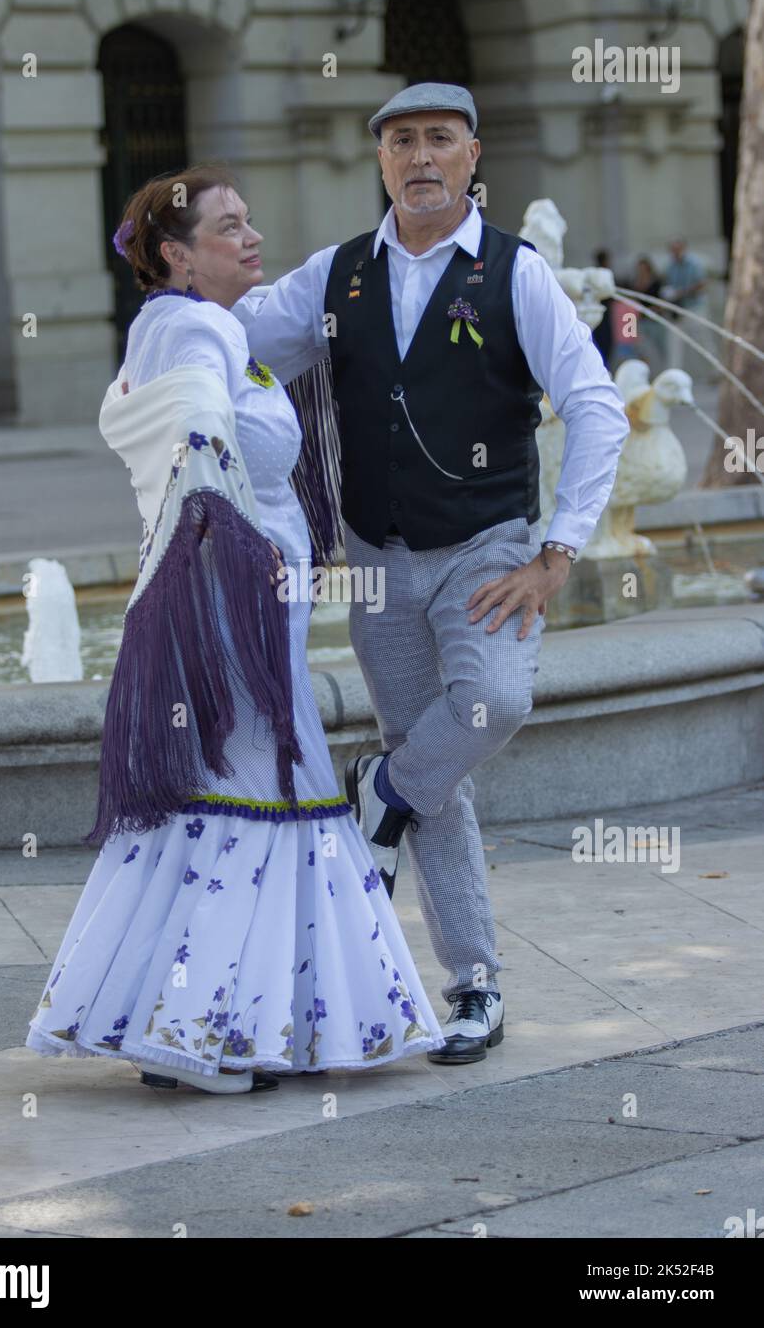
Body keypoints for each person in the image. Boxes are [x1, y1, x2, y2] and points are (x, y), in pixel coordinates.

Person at [233, 83, 630, 1065]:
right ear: (378, 161)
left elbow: (596, 405)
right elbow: (237, 347)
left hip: (487, 548)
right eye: (399, 140)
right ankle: (474, 984)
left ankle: (382, 786)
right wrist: (168, 359)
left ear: (469, 156)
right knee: (436, 780)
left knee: (491, 703)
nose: (418, 156)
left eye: (437, 140)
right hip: (375, 556)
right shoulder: (335, 277)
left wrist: (557, 554)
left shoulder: (516, 274)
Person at [25, 166, 445, 1094]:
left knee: (228, 785)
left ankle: (187, 1021)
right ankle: (205, 1035)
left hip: (233, 585)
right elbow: (201, 430)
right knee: (256, 786)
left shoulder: (184, 327)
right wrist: (233, 522)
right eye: (228, 228)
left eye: (251, 221)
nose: (252, 237)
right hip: (235, 594)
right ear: (178, 255)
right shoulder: (202, 327)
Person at [661, 237, 707, 373]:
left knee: (703, 342)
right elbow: (667, 284)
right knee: (674, 345)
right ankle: (673, 374)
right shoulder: (670, 266)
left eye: (677, 249)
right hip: (677, 310)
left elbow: (702, 284)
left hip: (695, 308)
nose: (675, 252)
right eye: (673, 250)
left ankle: (715, 374)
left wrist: (681, 292)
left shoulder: (694, 263)